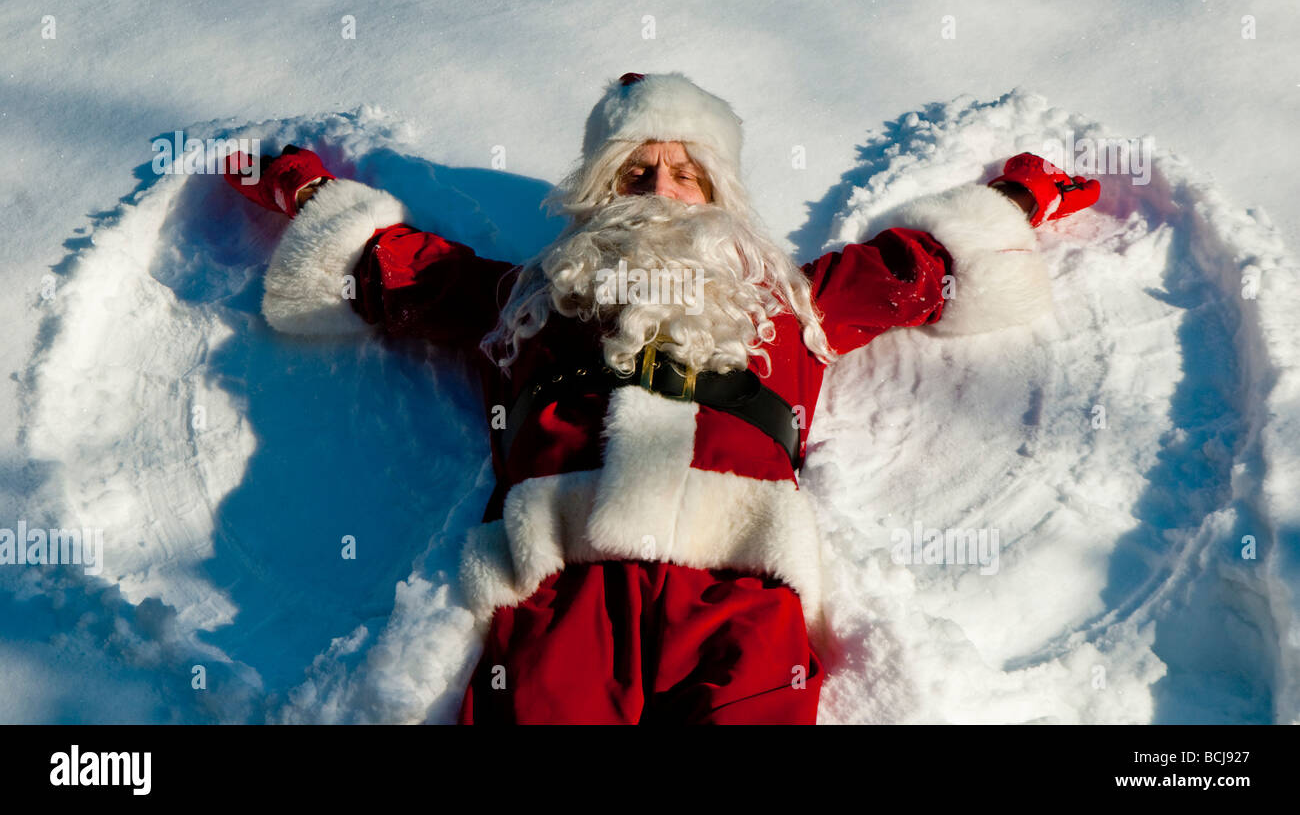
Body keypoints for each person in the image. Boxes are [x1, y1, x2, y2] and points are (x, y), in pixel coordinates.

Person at [223, 71, 1100, 724]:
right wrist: (306, 193)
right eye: (634, 173)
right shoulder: (528, 296)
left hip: (743, 576)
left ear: (718, 195)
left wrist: (1017, 200)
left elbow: (920, 268)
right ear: (599, 194)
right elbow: (391, 269)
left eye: (685, 174)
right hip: (559, 573)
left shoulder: (792, 299)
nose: (658, 189)